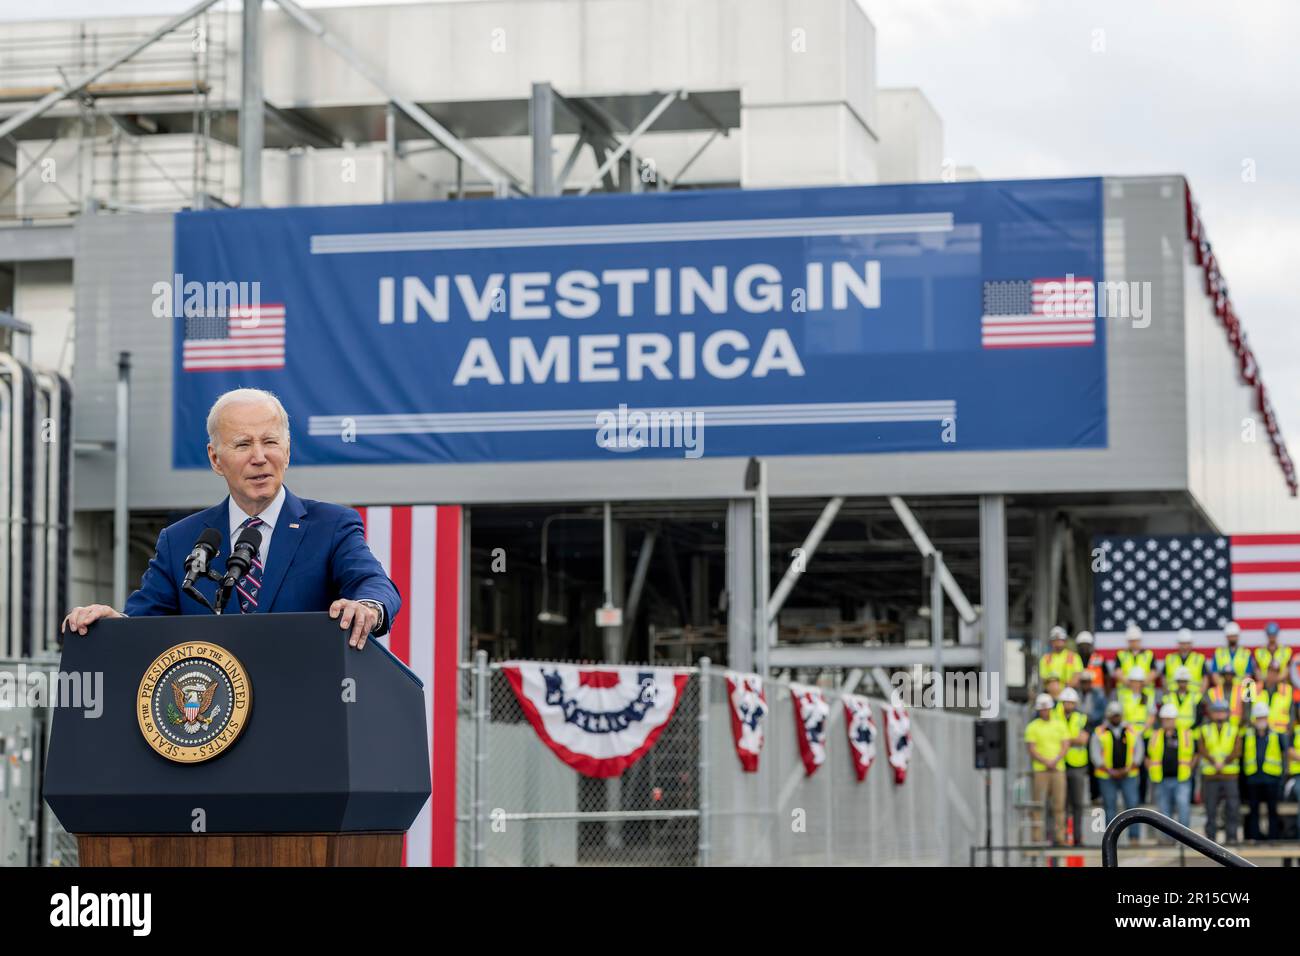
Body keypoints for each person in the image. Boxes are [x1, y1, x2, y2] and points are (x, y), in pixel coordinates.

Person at [61, 388, 400, 649]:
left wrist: (367, 606)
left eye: (270, 442)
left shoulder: (332, 526)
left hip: (305, 712)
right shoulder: (180, 540)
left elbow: (374, 584)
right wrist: (112, 623)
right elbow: (142, 623)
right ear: (215, 458)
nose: (259, 457)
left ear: (287, 450)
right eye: (242, 445)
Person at [1090, 701, 1144, 842]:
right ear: (1108, 715)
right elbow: (1095, 753)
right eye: (1113, 715)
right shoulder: (1099, 732)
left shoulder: (1131, 730)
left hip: (1129, 774)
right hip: (1107, 776)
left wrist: (1130, 767)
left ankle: (1134, 837)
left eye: (1118, 715)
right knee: (1109, 807)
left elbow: (1139, 751)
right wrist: (1107, 769)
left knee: (1132, 806)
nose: (1115, 717)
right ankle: (1111, 839)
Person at [1145, 703, 1196, 833]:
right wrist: (1150, 767)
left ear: (1175, 719)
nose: (1168, 722)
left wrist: (1191, 767)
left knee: (1183, 808)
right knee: (1164, 811)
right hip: (1161, 779)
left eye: (1170, 719)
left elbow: (1196, 753)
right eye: (1165, 719)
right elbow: (1147, 755)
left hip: (1181, 778)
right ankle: (1167, 839)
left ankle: (1185, 837)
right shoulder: (1156, 735)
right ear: (1161, 720)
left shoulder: (1185, 734)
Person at [1241, 701, 1288, 841]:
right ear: (1254, 719)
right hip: (1253, 779)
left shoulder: (1277, 735)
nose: (1261, 721)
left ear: (1267, 718)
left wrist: (1282, 777)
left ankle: (1272, 838)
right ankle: (1255, 838)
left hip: (1271, 779)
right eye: (1259, 718)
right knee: (1253, 811)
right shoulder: (1247, 735)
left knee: (1272, 811)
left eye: (1263, 717)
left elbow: (1284, 756)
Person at [1025, 693, 1068, 845]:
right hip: (1041, 770)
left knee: (1059, 805)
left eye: (1046, 708)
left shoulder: (1059, 724)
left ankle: (1060, 837)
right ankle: (1037, 838)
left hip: (1057, 769)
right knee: (1038, 804)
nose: (1044, 711)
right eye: (1041, 709)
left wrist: (1055, 760)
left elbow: (1065, 745)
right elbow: (1031, 748)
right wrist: (1046, 761)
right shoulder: (1033, 726)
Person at [1199, 698, 1242, 845]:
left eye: (1222, 711)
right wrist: (1213, 762)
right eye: (1216, 711)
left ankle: (1232, 837)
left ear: (1227, 713)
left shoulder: (1234, 729)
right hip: (1211, 775)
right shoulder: (1205, 729)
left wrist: (1224, 762)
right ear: (1211, 713)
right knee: (1210, 809)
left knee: (1232, 807)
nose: (1219, 714)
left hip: (1229, 775)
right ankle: (1210, 839)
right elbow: (1202, 749)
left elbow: (1237, 750)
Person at [1054, 688, 1091, 846]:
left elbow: (1083, 739)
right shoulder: (1054, 716)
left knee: (1077, 804)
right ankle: (1061, 838)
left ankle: (1077, 837)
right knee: (1060, 804)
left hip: (1077, 765)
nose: (1068, 705)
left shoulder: (1082, 718)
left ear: (1075, 703)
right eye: (1065, 702)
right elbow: (1053, 739)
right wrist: (1071, 740)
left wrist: (1064, 741)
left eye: (1070, 702)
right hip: (1059, 764)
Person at [1257, 659, 1294, 735]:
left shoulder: (1287, 690)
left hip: (1281, 732)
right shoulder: (1256, 688)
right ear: (1266, 672)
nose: (1272, 674)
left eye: (1275, 672)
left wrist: (1289, 729)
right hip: (1260, 732)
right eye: (1270, 671)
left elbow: (1292, 711)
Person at [1162, 667, 1203, 733]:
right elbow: (1164, 717)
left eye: (1184, 681)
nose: (1182, 684)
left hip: (1191, 733)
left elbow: (1199, 717)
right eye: (1180, 681)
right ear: (1176, 682)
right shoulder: (1168, 698)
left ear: (1188, 682)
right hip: (1174, 733)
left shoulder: (1196, 697)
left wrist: (1190, 729)